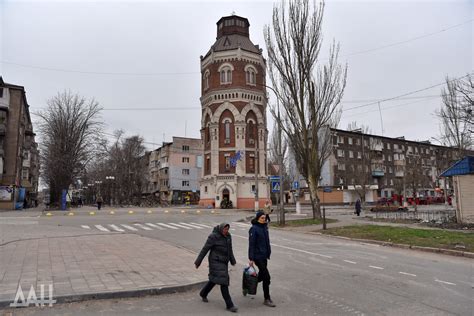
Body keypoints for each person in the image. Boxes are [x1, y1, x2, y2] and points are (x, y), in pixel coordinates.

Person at [195, 223, 238, 313]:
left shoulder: (228, 236)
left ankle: (203, 293)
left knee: (214, 279)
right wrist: (198, 262)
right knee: (223, 282)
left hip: (224, 262)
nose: (226, 231)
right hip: (215, 261)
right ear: (221, 229)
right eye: (225, 229)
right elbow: (205, 249)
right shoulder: (213, 236)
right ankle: (229, 305)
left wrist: (232, 260)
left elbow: (230, 249)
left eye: (227, 229)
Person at [248, 211, 276, 307]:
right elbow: (252, 244)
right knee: (266, 277)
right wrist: (251, 258)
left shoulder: (264, 228)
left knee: (262, 276)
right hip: (257, 256)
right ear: (258, 218)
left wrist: (268, 253)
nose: (264, 219)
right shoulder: (254, 229)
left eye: (264, 218)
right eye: (262, 218)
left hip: (264, 256)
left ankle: (250, 284)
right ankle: (267, 298)